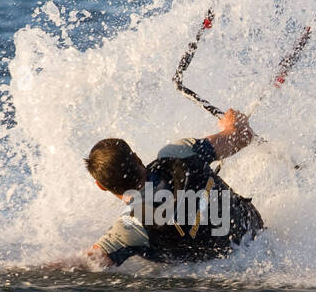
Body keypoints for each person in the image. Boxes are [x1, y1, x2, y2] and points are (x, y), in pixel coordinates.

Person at [60, 109, 265, 270]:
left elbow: (85, 265)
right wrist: (232, 123)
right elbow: (242, 135)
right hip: (257, 235)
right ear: (137, 158)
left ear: (102, 187)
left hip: (225, 268)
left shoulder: (129, 228)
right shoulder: (177, 154)